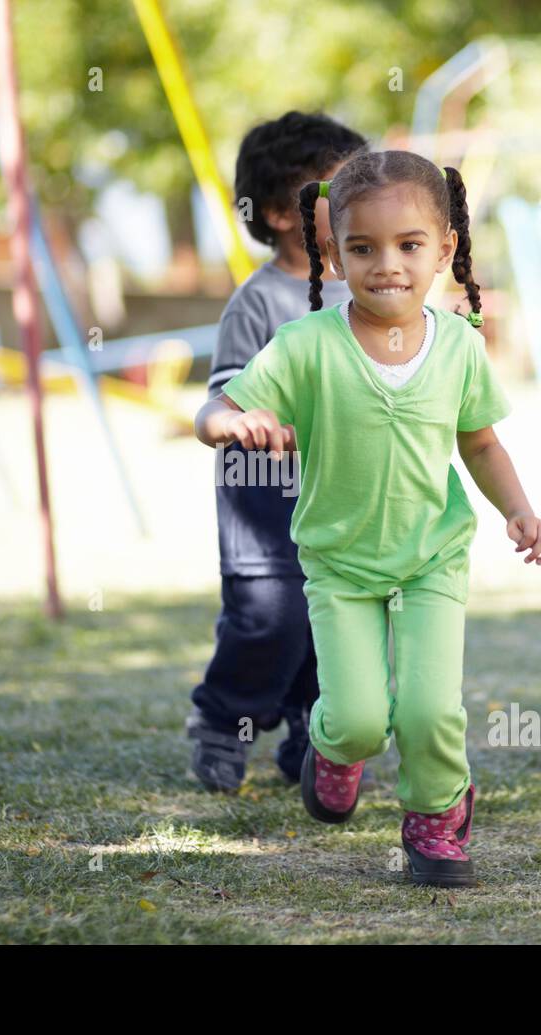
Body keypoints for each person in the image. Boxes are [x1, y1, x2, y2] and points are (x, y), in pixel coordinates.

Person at [194, 150, 541, 887]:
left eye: (409, 245)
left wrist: (520, 511)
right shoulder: (305, 346)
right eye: (362, 247)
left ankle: (436, 815)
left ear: (445, 250)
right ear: (331, 251)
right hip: (338, 560)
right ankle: (334, 749)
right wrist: (231, 422)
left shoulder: (458, 343)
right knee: (360, 714)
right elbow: (215, 408)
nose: (385, 264)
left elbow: (480, 441)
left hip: (431, 557)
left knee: (429, 710)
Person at [186, 111, 368, 793]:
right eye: (336, 188)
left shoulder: (376, 290)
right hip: (265, 495)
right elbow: (218, 401)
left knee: (339, 619)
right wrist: (239, 421)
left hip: (345, 492)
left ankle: (313, 736)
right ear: (278, 212)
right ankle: (222, 716)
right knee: (272, 617)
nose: (355, 200)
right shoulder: (259, 301)